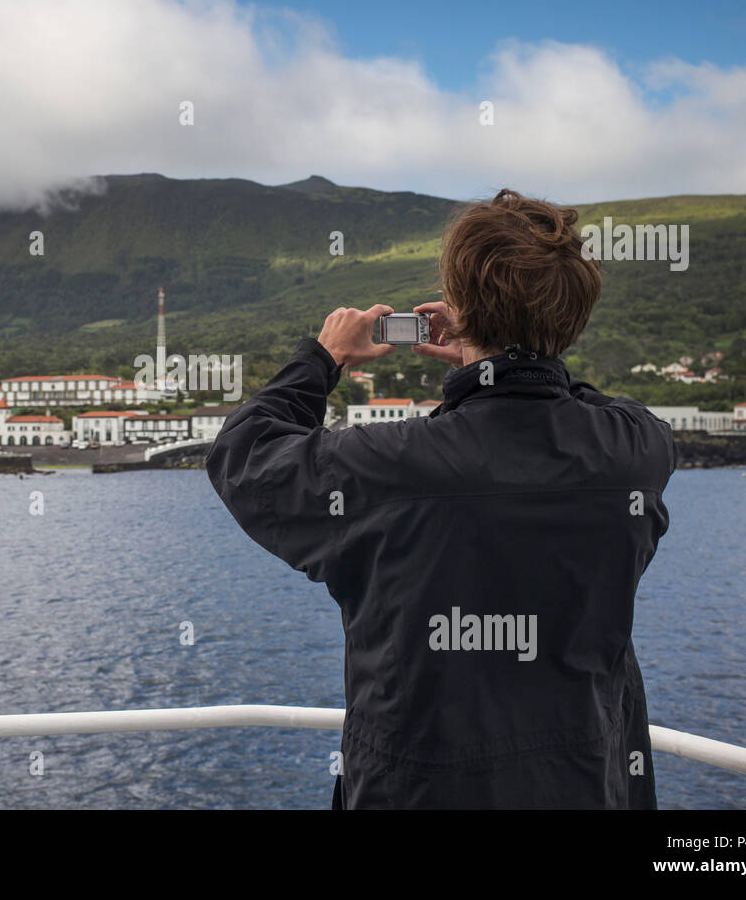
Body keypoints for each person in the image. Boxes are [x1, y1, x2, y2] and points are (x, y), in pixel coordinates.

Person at [205, 189, 675, 808]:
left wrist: (323, 359)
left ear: (458, 311)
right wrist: (505, 359)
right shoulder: (635, 449)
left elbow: (244, 454)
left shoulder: (383, 467)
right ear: (574, 316)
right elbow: (580, 408)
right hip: (586, 785)